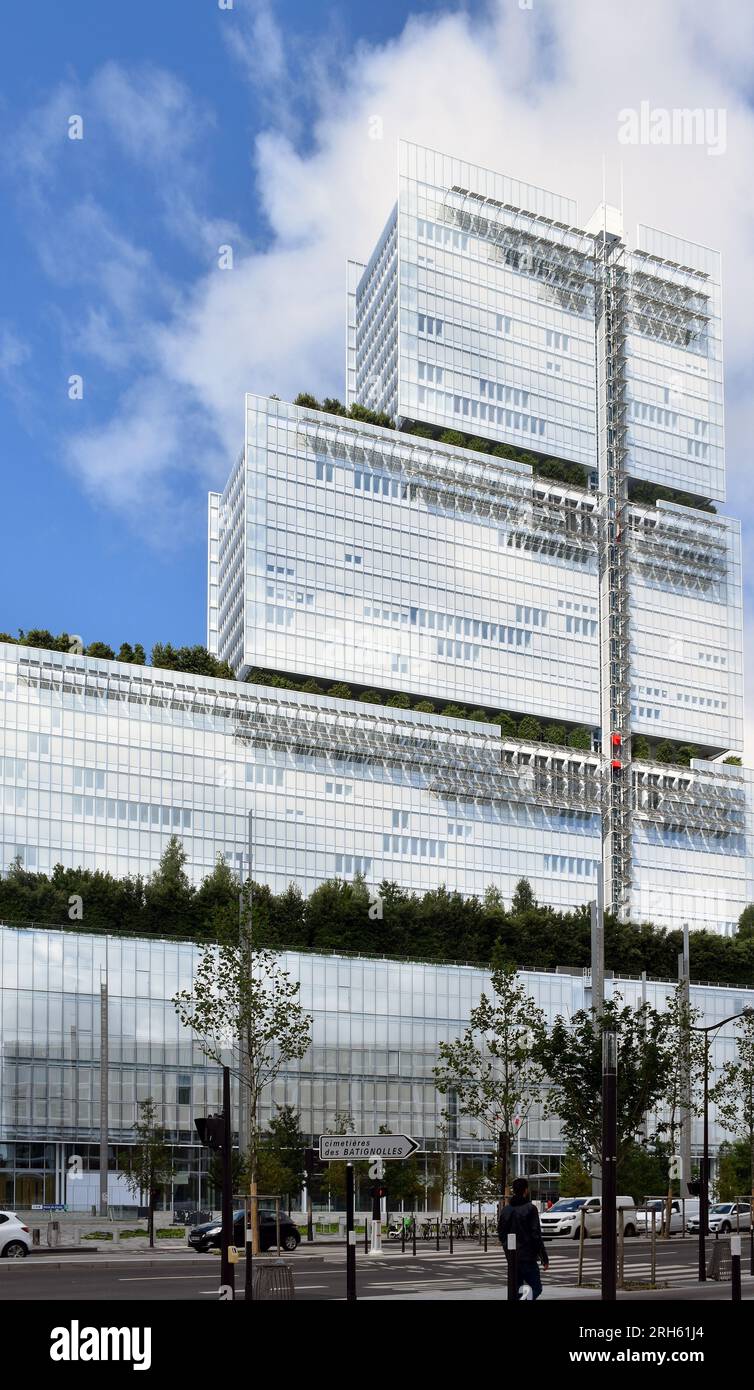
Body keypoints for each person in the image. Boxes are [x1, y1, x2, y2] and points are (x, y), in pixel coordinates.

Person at [498, 1177, 549, 1299]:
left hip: (512, 1257)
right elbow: (536, 1234)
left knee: (515, 1290)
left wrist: (507, 1248)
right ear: (526, 1190)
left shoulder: (506, 1210)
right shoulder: (530, 1209)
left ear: (514, 1190)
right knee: (536, 1287)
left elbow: (501, 1233)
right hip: (527, 1256)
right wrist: (544, 1258)